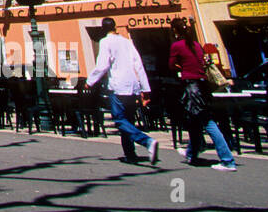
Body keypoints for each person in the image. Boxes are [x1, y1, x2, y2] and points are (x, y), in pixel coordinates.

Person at [86, 18, 159, 165]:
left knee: (120, 120)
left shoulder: (106, 42)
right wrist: (145, 88)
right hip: (132, 86)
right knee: (128, 120)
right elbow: (138, 65)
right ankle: (130, 154)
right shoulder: (127, 41)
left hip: (118, 86)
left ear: (103, 28)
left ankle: (147, 142)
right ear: (115, 27)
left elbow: (102, 65)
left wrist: (90, 81)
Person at [169, 18, 237, 172]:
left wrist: (182, 67)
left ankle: (227, 160)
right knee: (194, 121)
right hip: (203, 84)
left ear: (174, 30)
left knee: (207, 122)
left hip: (191, 86)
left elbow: (171, 65)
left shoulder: (177, 46)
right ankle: (192, 153)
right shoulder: (196, 45)